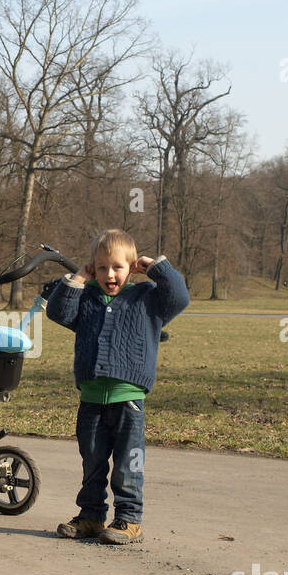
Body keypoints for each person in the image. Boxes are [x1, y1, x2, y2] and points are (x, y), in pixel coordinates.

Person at [45, 229, 191, 544]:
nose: (109, 274)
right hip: (92, 400)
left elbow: (180, 296)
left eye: (117, 267)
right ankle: (91, 516)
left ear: (131, 266)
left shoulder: (148, 298)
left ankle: (129, 519)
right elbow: (57, 312)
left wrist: (155, 266)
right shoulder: (87, 300)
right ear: (92, 269)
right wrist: (77, 280)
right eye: (101, 268)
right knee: (93, 462)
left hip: (129, 401)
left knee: (127, 464)